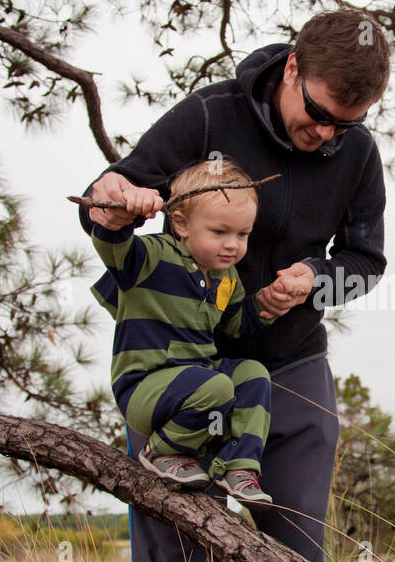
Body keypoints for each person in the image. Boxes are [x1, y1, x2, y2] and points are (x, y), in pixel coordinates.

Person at [77, 7, 391, 562]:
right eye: (319, 115)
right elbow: (111, 199)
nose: (328, 135)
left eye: (348, 123)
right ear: (291, 69)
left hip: (291, 371)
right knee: (176, 559)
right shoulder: (210, 115)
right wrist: (115, 205)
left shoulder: (356, 152)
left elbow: (366, 262)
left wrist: (317, 277)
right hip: (180, 369)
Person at [87, 157, 281, 506]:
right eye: (220, 232)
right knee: (217, 385)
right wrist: (123, 217)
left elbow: (238, 325)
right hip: (145, 387)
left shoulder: (226, 277)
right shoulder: (151, 258)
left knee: (254, 374)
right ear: (181, 224)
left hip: (200, 381)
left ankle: (238, 466)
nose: (232, 245)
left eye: (242, 234)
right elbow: (112, 246)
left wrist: (269, 304)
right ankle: (161, 452)